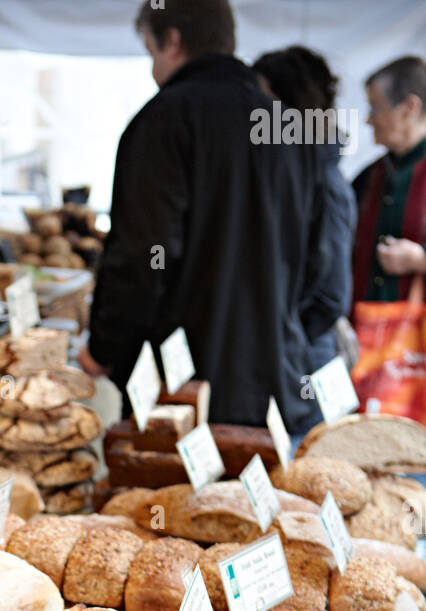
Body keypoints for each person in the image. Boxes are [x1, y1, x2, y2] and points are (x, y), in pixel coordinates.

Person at [80, 0, 328, 436]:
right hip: (275, 388)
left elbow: (147, 255)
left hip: (185, 392)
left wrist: (105, 345)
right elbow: (316, 267)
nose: (153, 71)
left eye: (151, 53)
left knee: (168, 504)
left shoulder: (164, 119)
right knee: (257, 503)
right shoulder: (292, 128)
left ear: (172, 41)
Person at [253, 46, 357, 375]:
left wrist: (284, 337)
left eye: (263, 102)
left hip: (305, 363)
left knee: (306, 431)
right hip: (294, 353)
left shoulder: (324, 183)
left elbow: (331, 297)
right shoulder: (300, 176)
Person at [352, 56, 426, 307]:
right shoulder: (368, 177)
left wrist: (425, 258)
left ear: (409, 108)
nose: (369, 120)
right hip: (361, 332)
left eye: (376, 108)